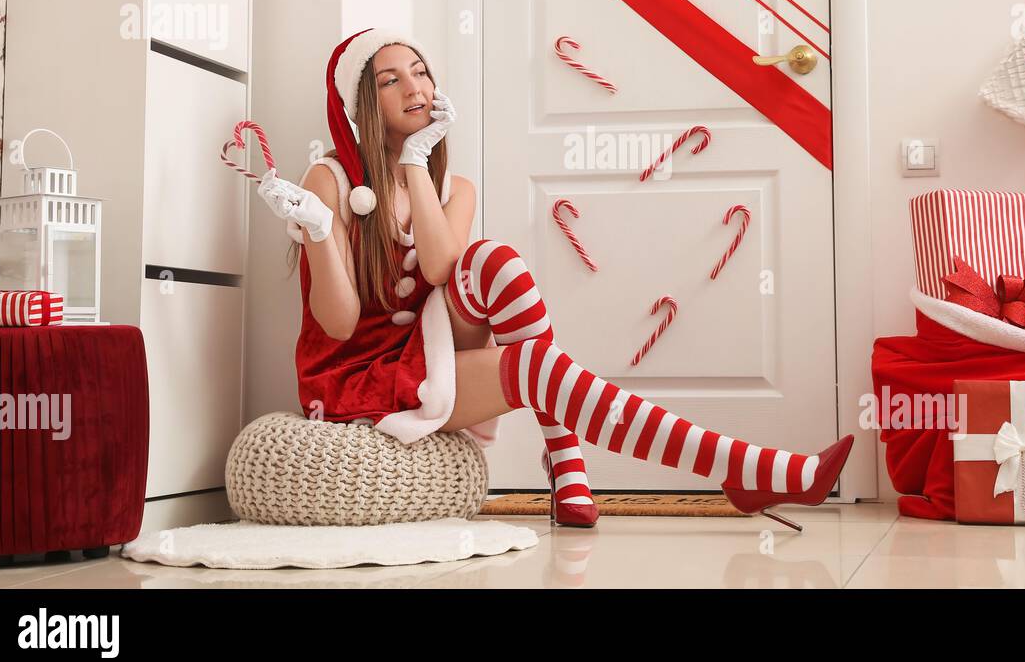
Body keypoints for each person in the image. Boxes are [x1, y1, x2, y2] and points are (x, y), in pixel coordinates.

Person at [259, 29, 853, 530]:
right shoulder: (330, 179)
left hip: (425, 350)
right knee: (537, 366)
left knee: (495, 261)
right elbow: (335, 325)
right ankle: (741, 470)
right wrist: (316, 232)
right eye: (391, 80)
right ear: (363, 100)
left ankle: (568, 461)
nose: (416, 88)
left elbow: (440, 269)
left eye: (421, 72)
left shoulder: (451, 187)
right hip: (354, 378)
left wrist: (416, 159)